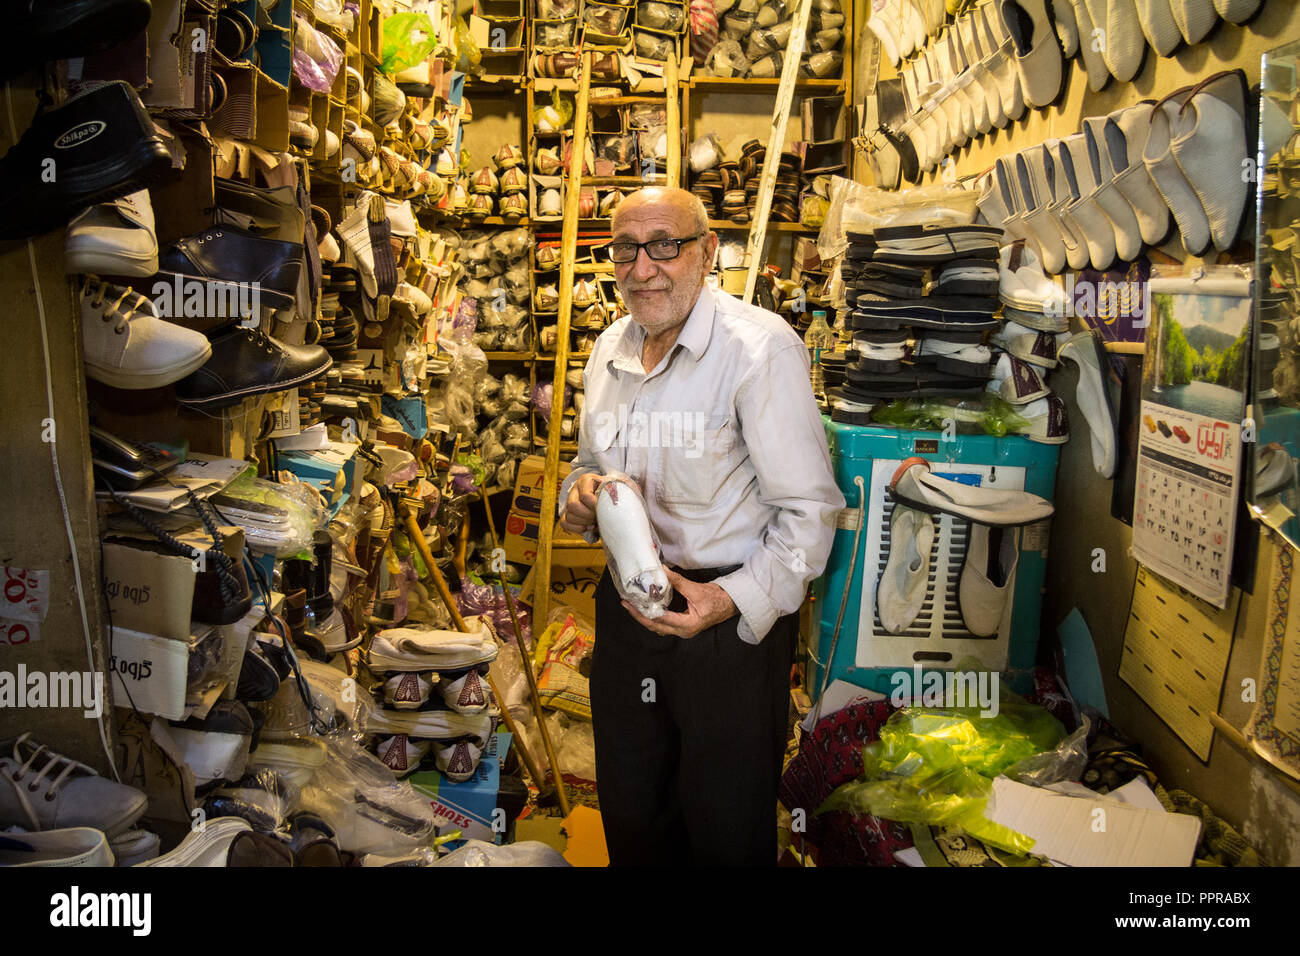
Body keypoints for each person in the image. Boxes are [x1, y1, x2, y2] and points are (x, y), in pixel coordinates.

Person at [558, 186, 845, 866]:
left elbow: (811, 513)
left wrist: (726, 602)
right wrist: (582, 497)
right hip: (628, 611)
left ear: (708, 251)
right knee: (634, 810)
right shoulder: (608, 350)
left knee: (723, 826)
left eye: (666, 244)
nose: (643, 267)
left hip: (725, 629)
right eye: (625, 249)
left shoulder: (759, 350)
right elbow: (588, 464)